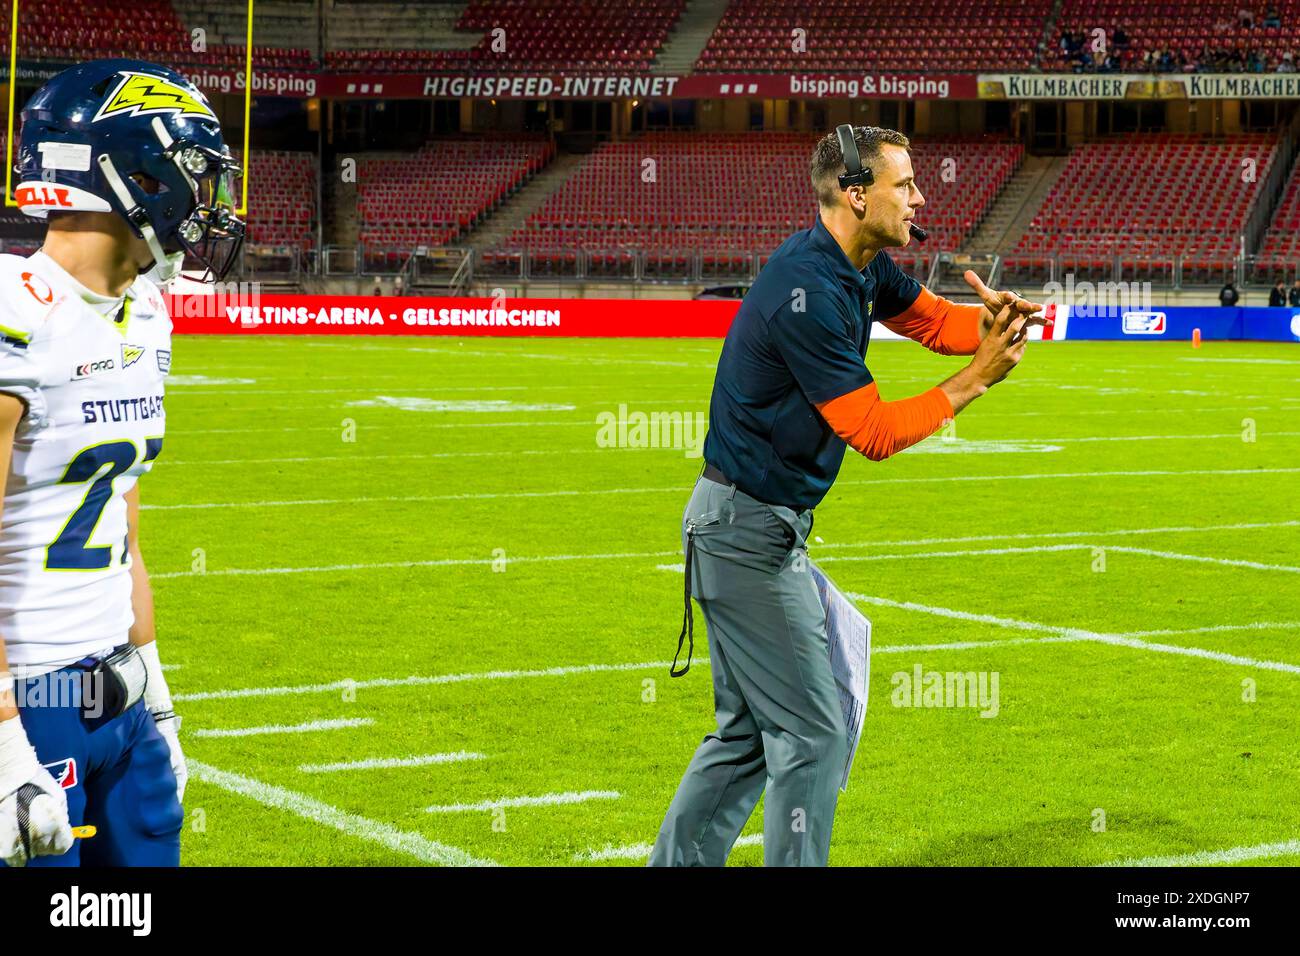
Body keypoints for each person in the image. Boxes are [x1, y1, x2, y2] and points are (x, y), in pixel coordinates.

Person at [648, 126, 1044, 867]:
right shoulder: (812, 293)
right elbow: (873, 431)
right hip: (747, 536)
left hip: (744, 527)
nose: (921, 197)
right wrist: (980, 377)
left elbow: (931, 320)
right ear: (857, 194)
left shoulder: (858, 264)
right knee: (812, 731)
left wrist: (994, 324)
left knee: (748, 738)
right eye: (905, 184)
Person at [0, 58, 244, 867]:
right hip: (30, 701)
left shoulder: (146, 315)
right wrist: (3, 741)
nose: (205, 203)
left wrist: (157, 690)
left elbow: (125, 522)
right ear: (131, 172)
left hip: (120, 695)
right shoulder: (16, 312)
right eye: (192, 174)